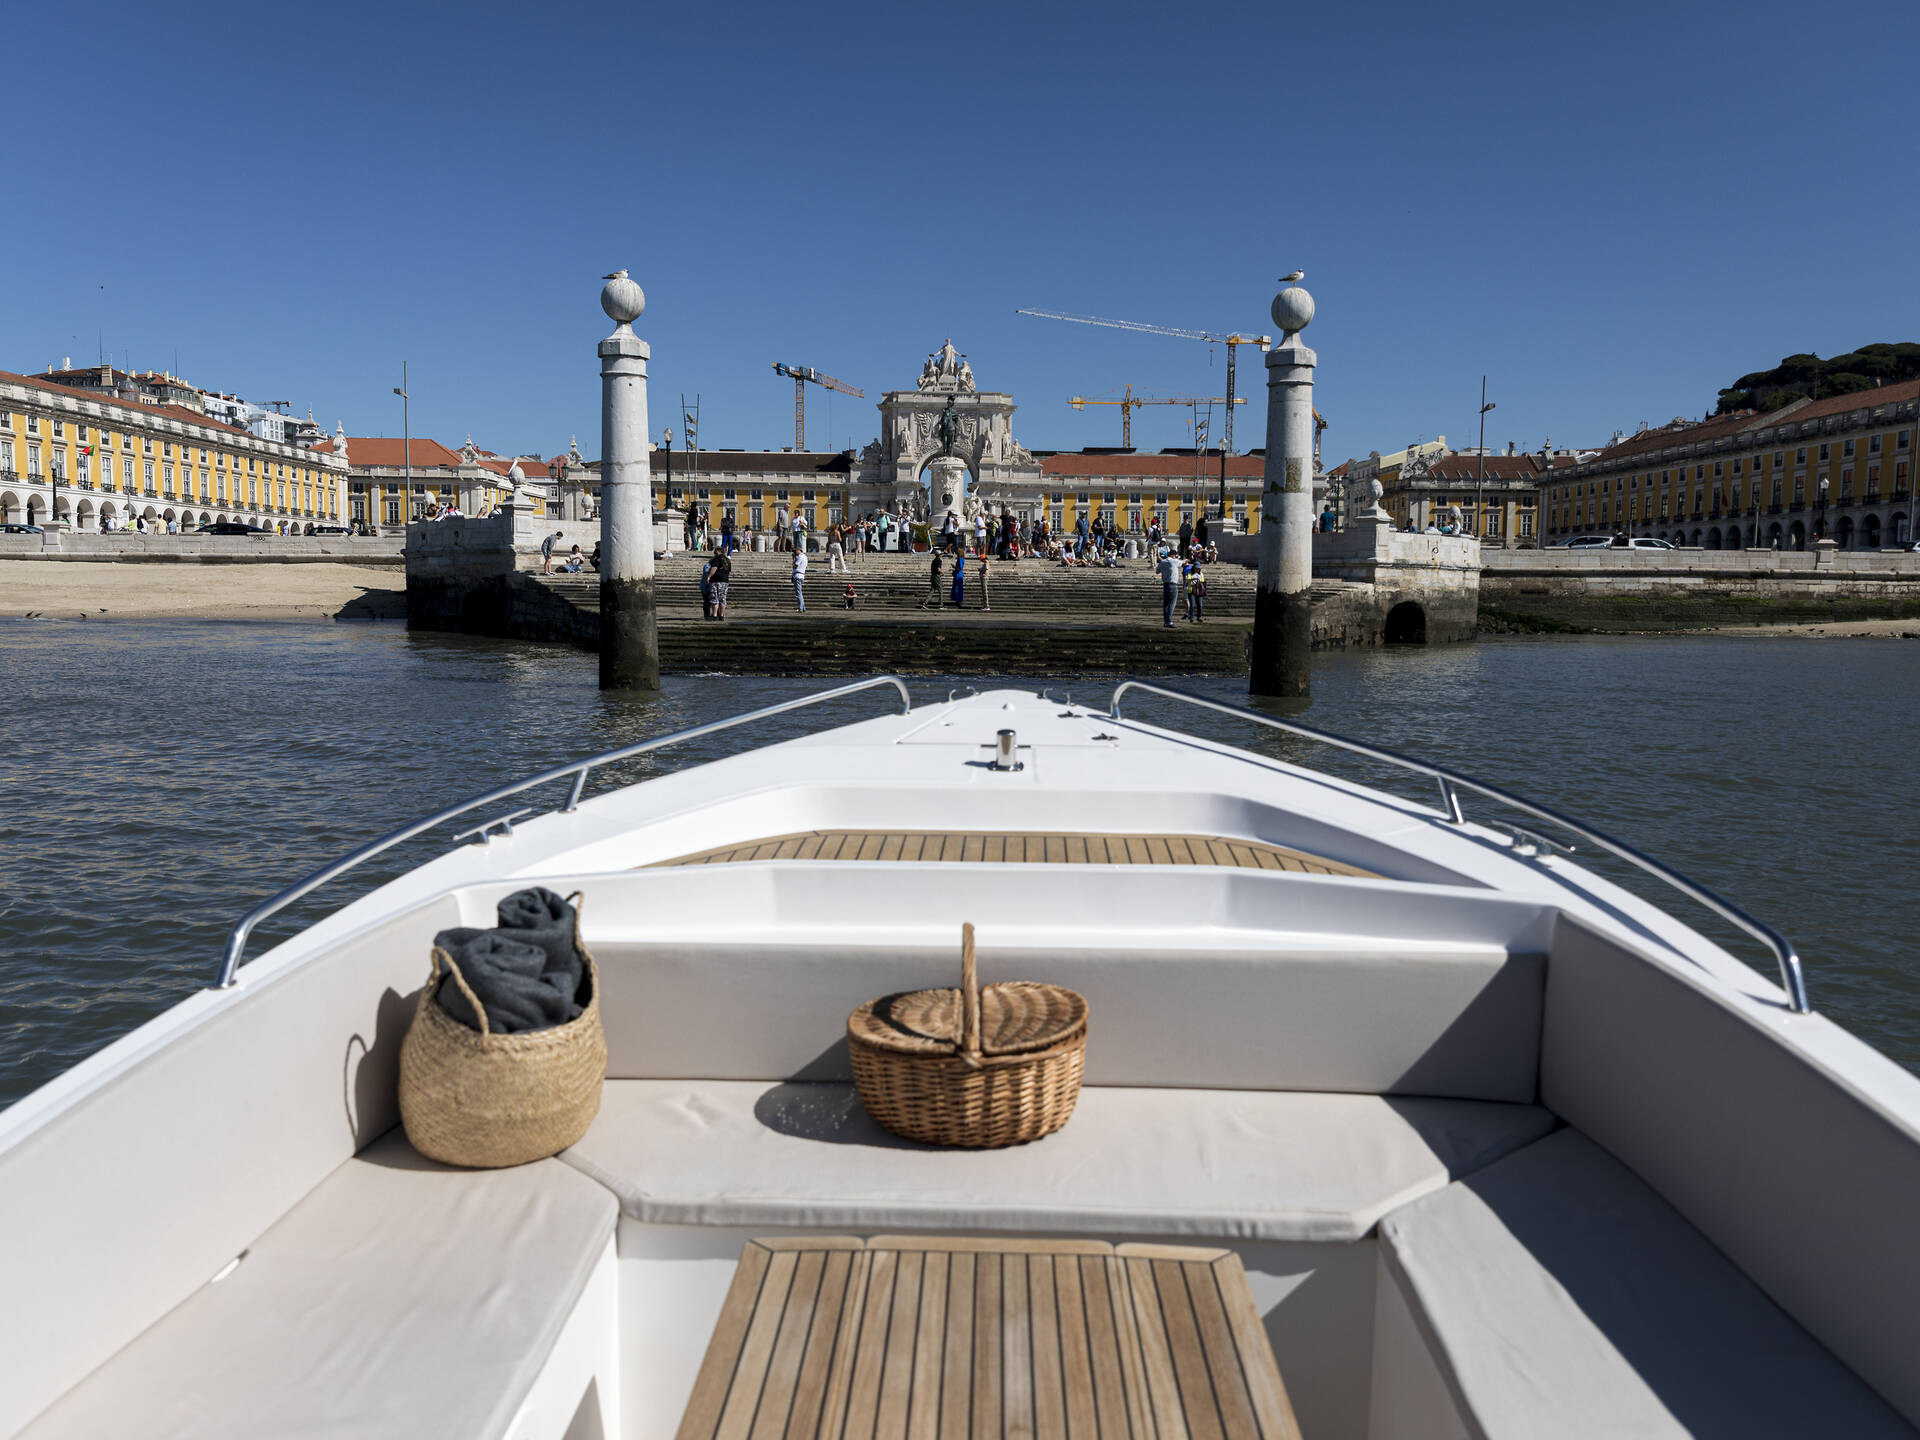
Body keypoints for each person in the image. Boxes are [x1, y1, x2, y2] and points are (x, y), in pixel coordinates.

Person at [1157, 544, 1178, 627]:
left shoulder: (1163, 562)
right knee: (1172, 604)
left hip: (1165, 584)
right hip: (1173, 584)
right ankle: (1169, 621)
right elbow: (1182, 562)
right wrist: (1186, 560)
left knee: (1166, 604)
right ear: (1173, 556)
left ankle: (1166, 621)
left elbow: (1157, 571)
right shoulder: (1174, 561)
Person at [708, 546, 731, 619]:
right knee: (723, 598)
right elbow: (729, 571)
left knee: (715, 597)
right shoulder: (727, 560)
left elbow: (714, 568)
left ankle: (714, 615)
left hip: (716, 580)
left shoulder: (717, 558)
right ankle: (721, 615)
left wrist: (709, 576)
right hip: (725, 581)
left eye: (715, 552)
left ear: (718, 551)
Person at [1186, 555, 1206, 622]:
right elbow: (1188, 580)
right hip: (1192, 590)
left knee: (1200, 605)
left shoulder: (1201, 574)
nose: (1197, 569)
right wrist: (1194, 578)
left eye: (1198, 568)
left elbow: (1203, 582)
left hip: (1199, 591)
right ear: (1193, 568)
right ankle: (1191, 617)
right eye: (1196, 568)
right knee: (1192, 605)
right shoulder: (1190, 573)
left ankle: (1199, 617)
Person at [791, 544, 807, 612]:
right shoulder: (804, 557)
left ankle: (800, 608)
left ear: (799, 550)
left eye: (795, 551)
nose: (794, 552)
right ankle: (803, 607)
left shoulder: (800, 557)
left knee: (798, 593)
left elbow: (795, 566)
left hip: (798, 575)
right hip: (800, 575)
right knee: (799, 592)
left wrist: (794, 560)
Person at [699, 553, 714, 619]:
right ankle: (707, 615)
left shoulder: (708, 565)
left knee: (708, 601)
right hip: (706, 586)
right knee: (707, 601)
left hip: (705, 586)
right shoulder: (708, 565)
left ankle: (711, 614)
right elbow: (706, 573)